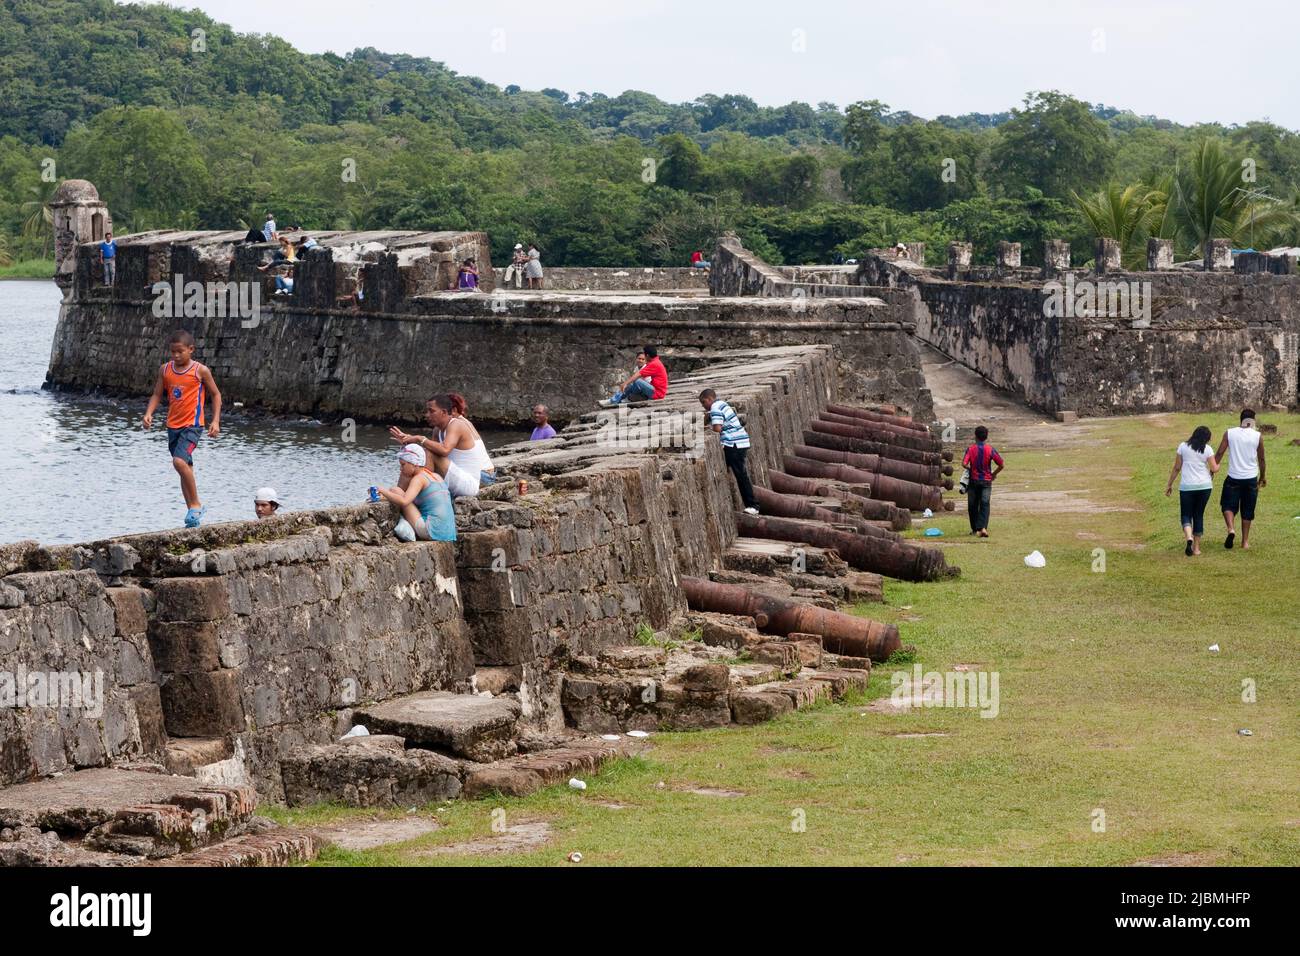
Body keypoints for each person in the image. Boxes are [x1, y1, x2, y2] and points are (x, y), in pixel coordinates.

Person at [142, 329, 222, 528]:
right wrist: (149, 413)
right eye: (173, 352)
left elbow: (216, 395)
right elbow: (157, 394)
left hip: (192, 425)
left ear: (191, 349)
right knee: (185, 468)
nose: (176, 356)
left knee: (178, 462)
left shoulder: (200, 371)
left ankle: (196, 504)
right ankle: (192, 515)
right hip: (173, 426)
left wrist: (215, 421)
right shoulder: (165, 370)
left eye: (180, 351)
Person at [389, 393, 496, 498]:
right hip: (459, 478)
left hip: (471, 484)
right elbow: (426, 455)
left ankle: (414, 494)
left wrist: (419, 438)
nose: (427, 415)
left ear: (444, 412)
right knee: (411, 458)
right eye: (427, 411)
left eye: (431, 411)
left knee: (427, 455)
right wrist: (410, 442)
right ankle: (401, 492)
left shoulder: (456, 424)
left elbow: (445, 450)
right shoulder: (437, 430)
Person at [377, 444, 456, 542]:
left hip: (431, 531)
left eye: (403, 464)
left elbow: (404, 501)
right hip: (448, 533)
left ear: (414, 464)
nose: (401, 469)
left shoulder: (418, 479)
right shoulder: (435, 476)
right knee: (398, 493)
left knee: (395, 490)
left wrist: (382, 490)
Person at [699, 389, 759, 515]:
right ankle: (751, 504)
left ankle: (752, 505)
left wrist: (707, 428)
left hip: (734, 444)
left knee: (741, 475)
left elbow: (717, 429)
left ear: (710, 399)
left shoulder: (715, 408)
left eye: (704, 402)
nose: (703, 406)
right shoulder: (722, 404)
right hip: (740, 441)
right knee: (740, 473)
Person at [1215, 409, 1267, 550]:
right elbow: (1261, 459)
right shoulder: (1258, 436)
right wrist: (1262, 476)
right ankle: (1244, 542)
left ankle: (1231, 529)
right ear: (1253, 421)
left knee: (1227, 505)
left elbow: (1220, 452)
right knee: (1248, 509)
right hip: (1250, 478)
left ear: (1241, 420)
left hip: (1233, 477)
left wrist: (1212, 469)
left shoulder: (1230, 433)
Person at [1164, 426, 1219, 556]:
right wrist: (1218, 466)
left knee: (1186, 514)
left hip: (1187, 487)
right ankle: (1196, 548)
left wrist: (1169, 484)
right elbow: (1214, 468)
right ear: (1206, 439)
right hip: (1204, 486)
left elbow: (1177, 467)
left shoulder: (1183, 446)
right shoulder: (1208, 449)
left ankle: (1188, 537)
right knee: (1198, 515)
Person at [962, 425, 1004, 537]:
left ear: (975, 436)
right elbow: (1001, 464)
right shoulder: (990, 449)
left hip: (973, 481)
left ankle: (975, 529)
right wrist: (993, 474)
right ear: (986, 437)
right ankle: (983, 528)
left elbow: (964, 464)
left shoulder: (970, 449)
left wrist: (970, 469)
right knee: (985, 504)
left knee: (972, 505)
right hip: (986, 481)